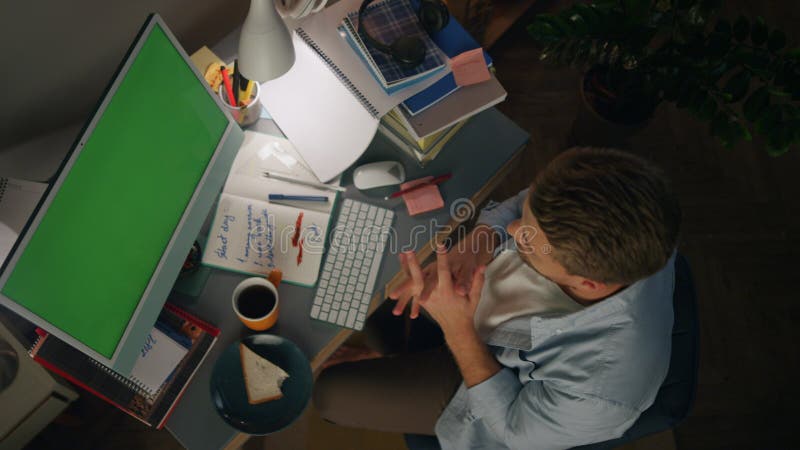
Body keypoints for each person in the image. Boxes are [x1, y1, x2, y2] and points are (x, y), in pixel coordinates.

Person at [313, 147, 682, 450]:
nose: (512, 229)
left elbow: (512, 428)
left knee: (331, 394)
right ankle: (397, 358)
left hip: (492, 382)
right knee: (371, 267)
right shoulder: (615, 202)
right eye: (524, 217)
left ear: (589, 285)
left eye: (529, 243)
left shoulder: (599, 395)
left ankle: (394, 359)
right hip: (479, 314)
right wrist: (480, 239)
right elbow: (525, 204)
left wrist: (458, 330)